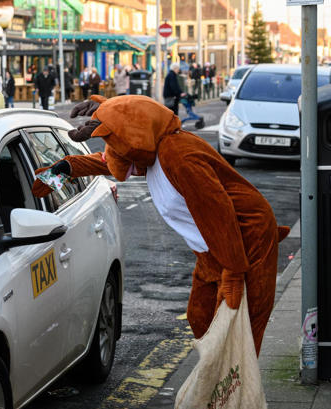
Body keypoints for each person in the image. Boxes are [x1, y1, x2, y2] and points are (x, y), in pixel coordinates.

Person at [32, 94, 290, 357]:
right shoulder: (151, 154)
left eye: (114, 142)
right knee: (200, 317)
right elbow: (102, 162)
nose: (112, 154)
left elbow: (217, 214)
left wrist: (234, 274)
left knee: (242, 327)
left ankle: (234, 392)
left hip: (247, 238)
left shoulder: (179, 156)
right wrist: (61, 171)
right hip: (211, 249)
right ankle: (217, 381)